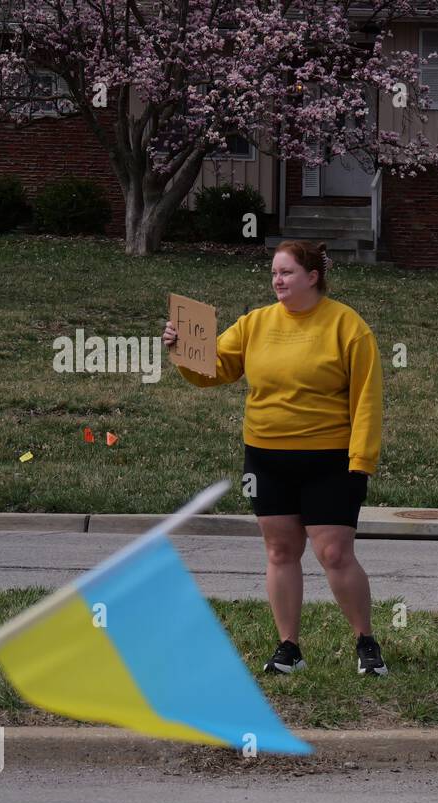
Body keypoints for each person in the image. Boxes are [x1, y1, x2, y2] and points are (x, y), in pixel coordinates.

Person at [164, 240, 388, 677]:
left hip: (330, 459)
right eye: (273, 273)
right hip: (267, 457)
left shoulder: (348, 326)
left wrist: (361, 458)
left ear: (312, 277)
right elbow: (216, 368)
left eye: (286, 273)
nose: (277, 281)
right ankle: (289, 648)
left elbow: (367, 397)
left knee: (335, 553)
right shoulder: (254, 323)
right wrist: (182, 349)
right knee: (280, 550)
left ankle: (366, 642)